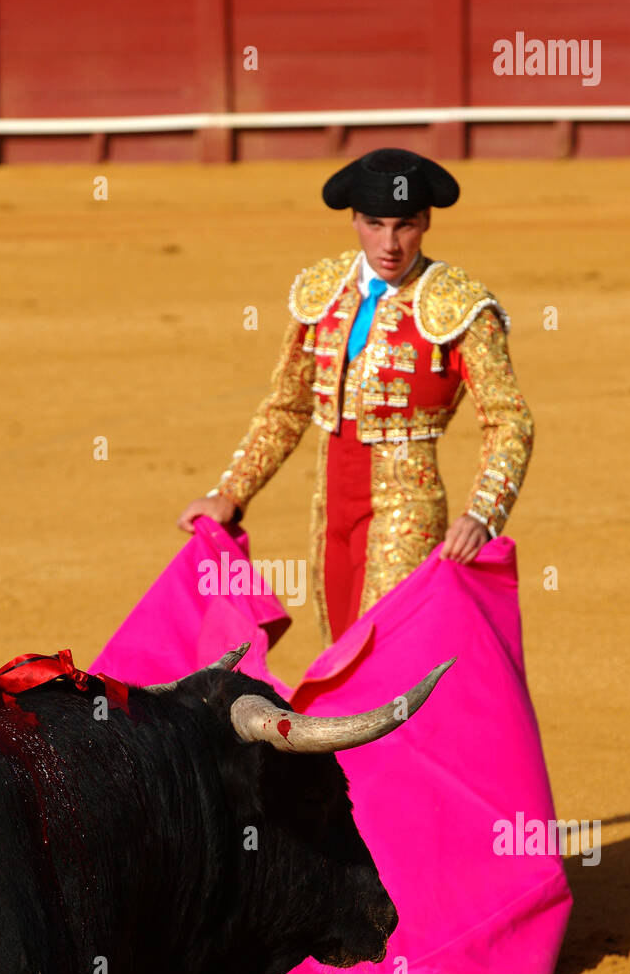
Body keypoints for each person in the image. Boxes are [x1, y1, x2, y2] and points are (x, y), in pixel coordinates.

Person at [178, 148, 534, 644]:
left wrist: (483, 514)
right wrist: (231, 492)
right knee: (341, 648)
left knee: (384, 653)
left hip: (408, 505)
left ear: (426, 221)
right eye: (375, 224)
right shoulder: (323, 292)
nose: (389, 243)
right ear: (354, 221)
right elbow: (289, 406)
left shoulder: (462, 306)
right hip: (330, 508)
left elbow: (508, 420)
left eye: (404, 225)